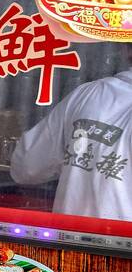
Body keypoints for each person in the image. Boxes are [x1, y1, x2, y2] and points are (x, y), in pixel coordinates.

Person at [10, 63, 132, 223]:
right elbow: (25, 167)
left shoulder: (88, 95)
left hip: (69, 240)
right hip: (111, 244)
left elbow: (26, 165)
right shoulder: (89, 94)